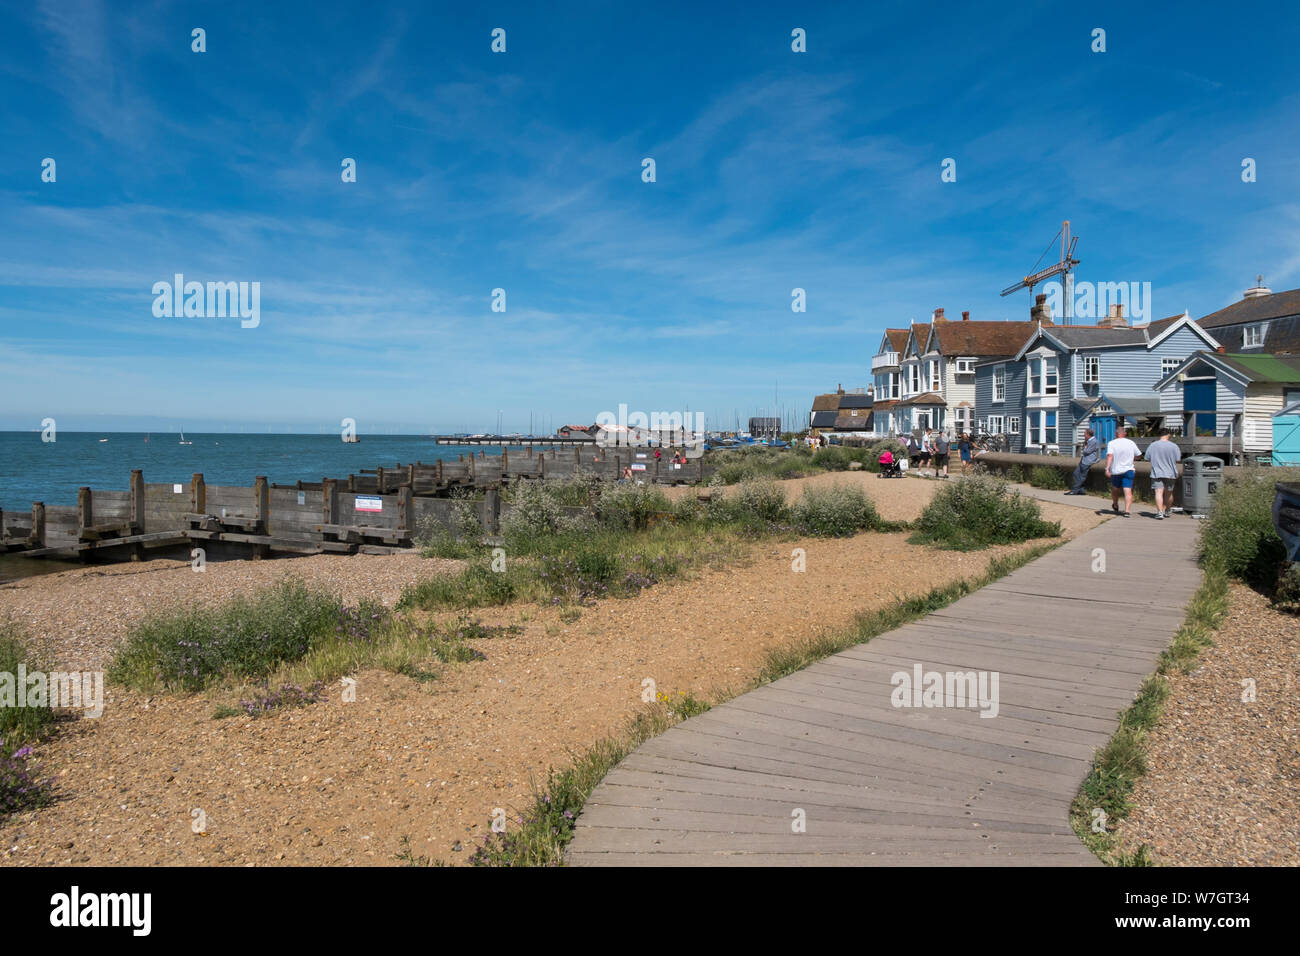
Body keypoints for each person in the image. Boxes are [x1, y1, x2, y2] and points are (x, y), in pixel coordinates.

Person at [1104, 426, 1141, 518]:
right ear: (1125, 433)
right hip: (1129, 469)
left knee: (1115, 489)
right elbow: (1139, 455)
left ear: (1116, 434)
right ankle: (1127, 511)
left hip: (1116, 470)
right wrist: (1132, 458)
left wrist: (1107, 468)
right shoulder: (1131, 443)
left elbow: (1109, 456)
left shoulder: (1112, 443)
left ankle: (1115, 504)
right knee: (1127, 490)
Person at [1146, 429, 1182, 519]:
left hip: (1156, 472)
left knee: (1158, 492)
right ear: (1168, 435)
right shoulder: (1174, 446)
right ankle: (1168, 510)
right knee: (1169, 493)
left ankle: (1159, 512)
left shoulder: (1152, 445)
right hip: (1170, 473)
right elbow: (1178, 459)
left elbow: (1147, 458)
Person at [1068, 428, 1100, 495]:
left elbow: (1086, 452)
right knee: (1076, 473)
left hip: (1088, 461)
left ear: (1088, 434)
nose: (1084, 436)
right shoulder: (1088, 441)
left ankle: (1074, 490)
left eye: (1084, 434)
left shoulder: (1094, 441)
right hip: (1084, 460)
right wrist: (1085, 445)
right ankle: (1081, 490)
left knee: (1082, 477)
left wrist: (1085, 447)